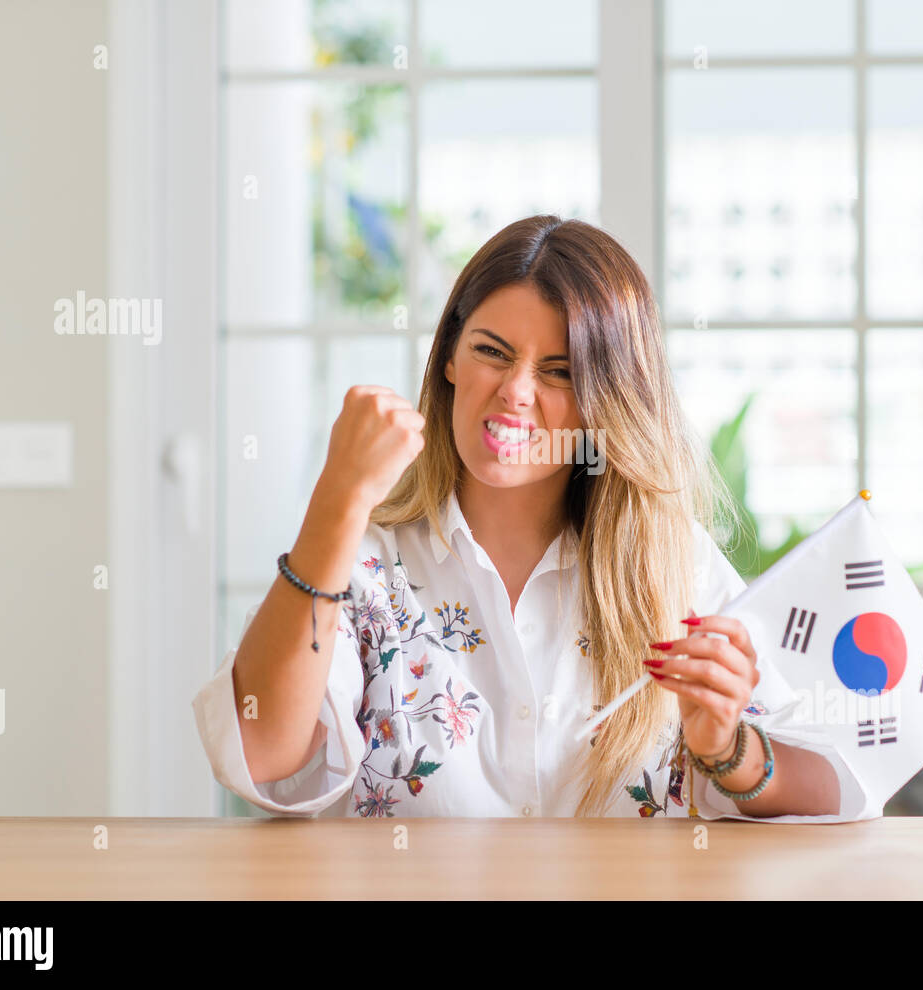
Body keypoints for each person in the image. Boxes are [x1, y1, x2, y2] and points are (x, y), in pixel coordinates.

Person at [193, 215, 869, 821]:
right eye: (492, 351)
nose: (515, 392)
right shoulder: (365, 564)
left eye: (559, 372)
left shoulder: (672, 566)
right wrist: (338, 498)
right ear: (451, 355)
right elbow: (262, 759)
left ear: (606, 403)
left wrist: (729, 749)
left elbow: (837, 785)